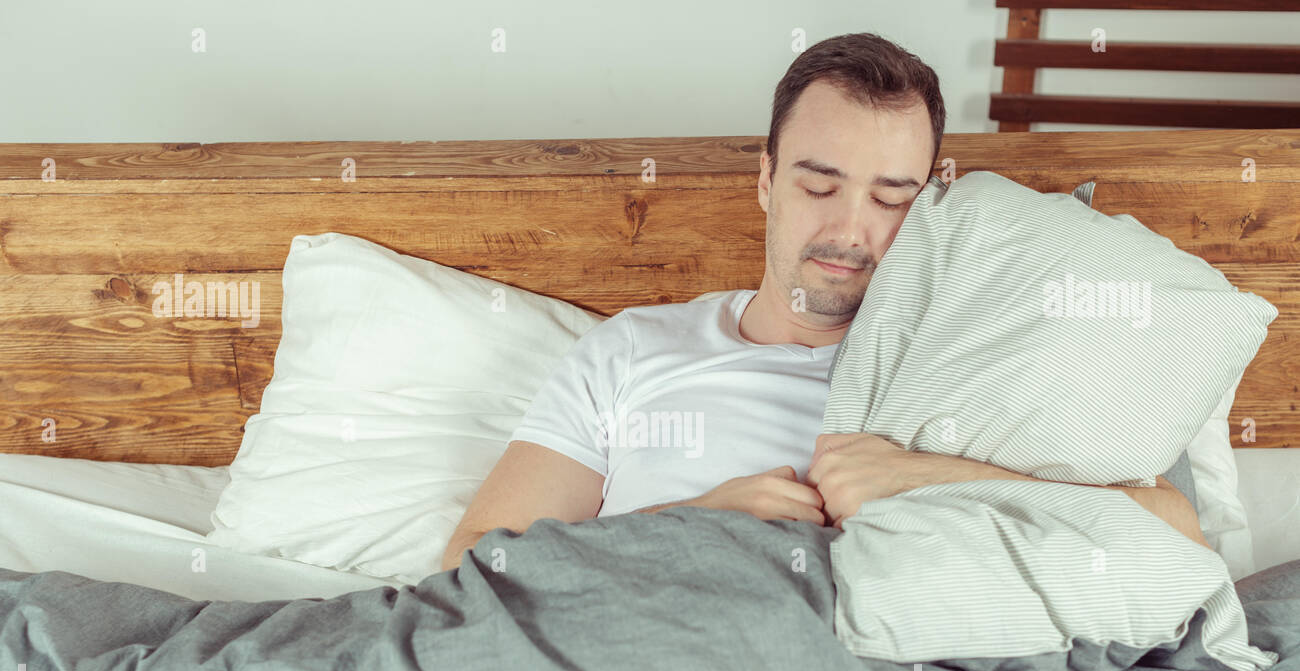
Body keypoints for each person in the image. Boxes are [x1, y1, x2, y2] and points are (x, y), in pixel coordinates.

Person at [441, 32, 1205, 572]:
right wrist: (694, 524)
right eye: (819, 185)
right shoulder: (633, 350)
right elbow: (470, 561)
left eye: (891, 198)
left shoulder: (971, 349)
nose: (851, 230)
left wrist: (920, 476)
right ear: (767, 178)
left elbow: (1178, 536)